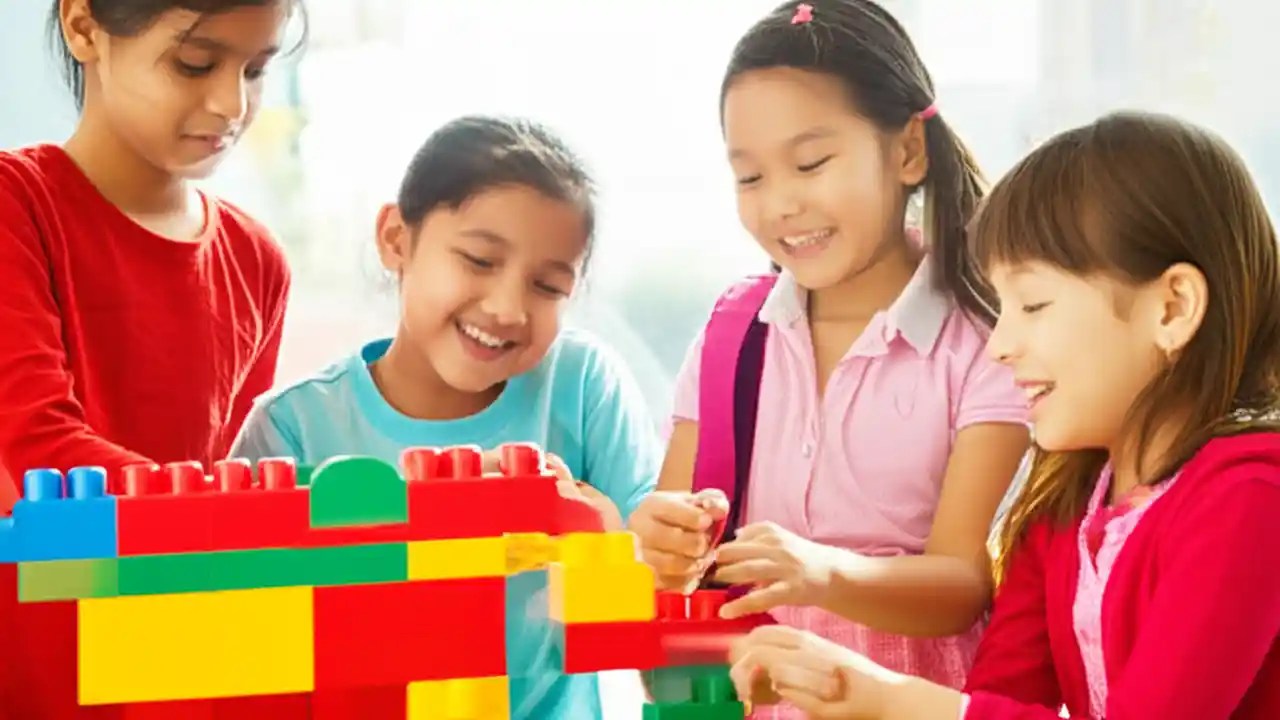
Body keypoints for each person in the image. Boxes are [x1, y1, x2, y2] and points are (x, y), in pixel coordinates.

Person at [726, 111, 1280, 719]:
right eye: (1001, 306)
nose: (999, 343)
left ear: (1172, 308)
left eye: (1034, 304)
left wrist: (892, 701)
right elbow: (995, 700)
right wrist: (837, 687)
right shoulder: (1061, 511)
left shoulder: (1249, 498)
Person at [626, 1, 1029, 715]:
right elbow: (671, 567)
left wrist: (822, 572)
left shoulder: (987, 338)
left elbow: (962, 586)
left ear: (907, 151)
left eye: (810, 163)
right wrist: (659, 542)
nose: (779, 204)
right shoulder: (730, 336)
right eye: (749, 178)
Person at [229, 114, 661, 719]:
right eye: (479, 261)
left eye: (547, 286)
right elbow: (247, 638)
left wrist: (634, 541)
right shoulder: (294, 427)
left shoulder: (582, 385)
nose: (508, 307)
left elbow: (649, 622)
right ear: (396, 239)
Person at [0, 1, 302, 718]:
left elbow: (235, 464)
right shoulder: (19, 208)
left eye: (256, 69)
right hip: (36, 673)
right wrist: (246, 519)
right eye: (195, 63)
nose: (231, 103)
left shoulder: (257, 262)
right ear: (83, 27)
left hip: (176, 670)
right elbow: (33, 446)